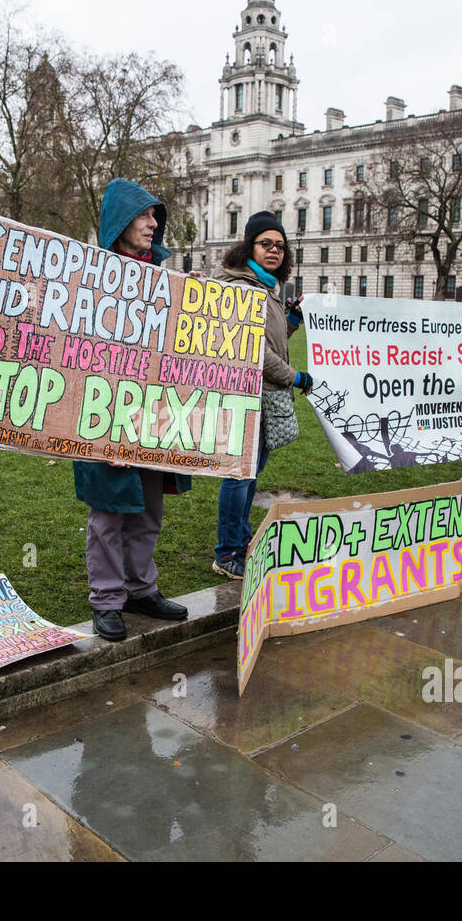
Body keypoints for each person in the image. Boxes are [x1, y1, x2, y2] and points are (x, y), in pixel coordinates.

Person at [73, 178, 190, 642]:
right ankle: (106, 599)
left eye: (155, 216)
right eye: (144, 215)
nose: (153, 223)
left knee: (148, 510)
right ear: (120, 223)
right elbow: (75, 353)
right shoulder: (89, 279)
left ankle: (141, 589)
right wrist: (105, 432)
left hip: (154, 414)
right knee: (109, 512)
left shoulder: (164, 277)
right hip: (103, 412)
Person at [211, 211, 311, 579]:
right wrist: (295, 376)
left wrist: (293, 320)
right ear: (249, 246)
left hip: (263, 395)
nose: (274, 251)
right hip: (244, 394)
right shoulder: (241, 286)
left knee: (250, 473)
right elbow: (252, 348)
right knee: (239, 474)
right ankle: (227, 552)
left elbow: (273, 339)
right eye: (266, 243)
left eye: (280, 246)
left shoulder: (266, 286)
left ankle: (238, 537)